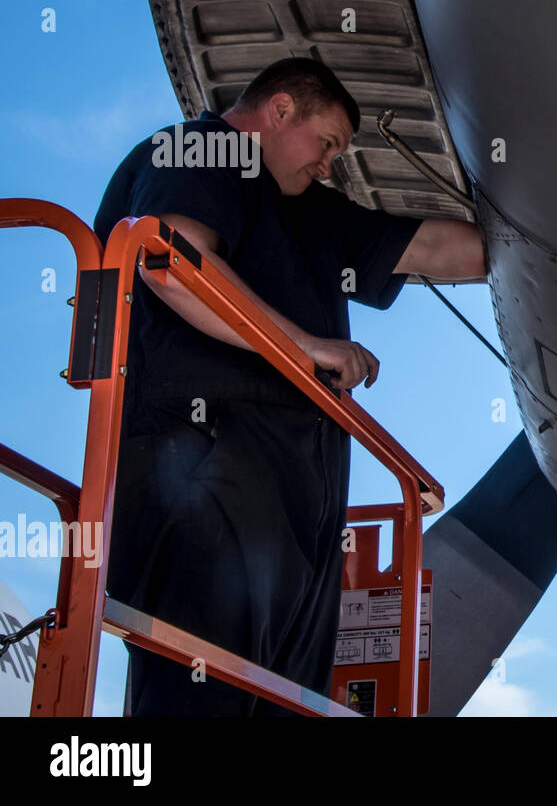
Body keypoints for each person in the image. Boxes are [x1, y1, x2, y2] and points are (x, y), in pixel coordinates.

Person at [94, 57, 486, 715]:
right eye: (326, 143)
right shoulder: (199, 149)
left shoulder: (313, 215)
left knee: (284, 697)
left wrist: (553, 243)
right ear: (279, 111)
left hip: (299, 495)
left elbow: (431, 251)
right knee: (202, 684)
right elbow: (172, 263)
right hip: (200, 462)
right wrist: (303, 347)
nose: (329, 164)